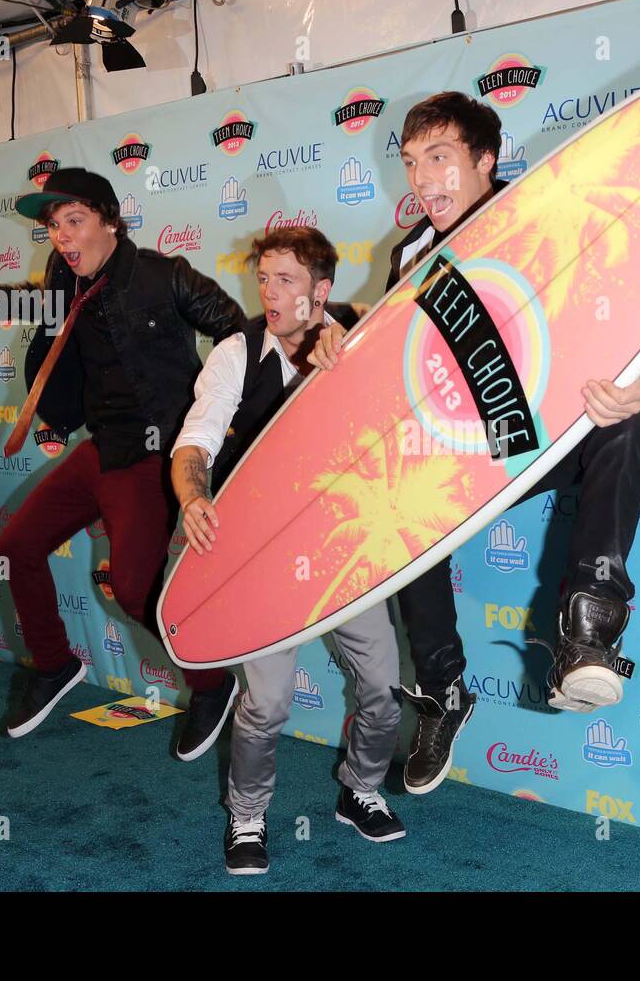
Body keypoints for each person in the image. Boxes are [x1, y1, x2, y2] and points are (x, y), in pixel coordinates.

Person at [309, 92, 640, 794]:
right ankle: (444, 690)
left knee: (629, 423)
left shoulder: (543, 214)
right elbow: (391, 358)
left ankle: (588, 634)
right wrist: (339, 344)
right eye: (410, 163)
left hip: (548, 421)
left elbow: (613, 301)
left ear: (486, 161)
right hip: (466, 441)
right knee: (394, 502)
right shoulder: (410, 252)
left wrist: (636, 376)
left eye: (439, 158)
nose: (421, 179)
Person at [0, 167, 244, 761]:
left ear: (109, 220)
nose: (62, 237)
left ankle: (213, 682)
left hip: (156, 453)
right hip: (102, 447)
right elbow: (41, 302)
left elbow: (237, 335)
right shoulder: (65, 277)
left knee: (134, 591)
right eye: (53, 226)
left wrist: (216, 426)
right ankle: (54, 666)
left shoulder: (163, 275)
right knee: (16, 544)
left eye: (74, 221)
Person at [171, 226, 405, 874]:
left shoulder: (361, 332)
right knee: (268, 701)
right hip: (262, 552)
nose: (270, 294)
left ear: (321, 290)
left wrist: (355, 351)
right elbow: (195, 442)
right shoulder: (235, 354)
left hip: (343, 544)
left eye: (287, 280)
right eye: (264, 279)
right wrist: (193, 497)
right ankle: (247, 815)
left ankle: (360, 790)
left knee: (384, 685)